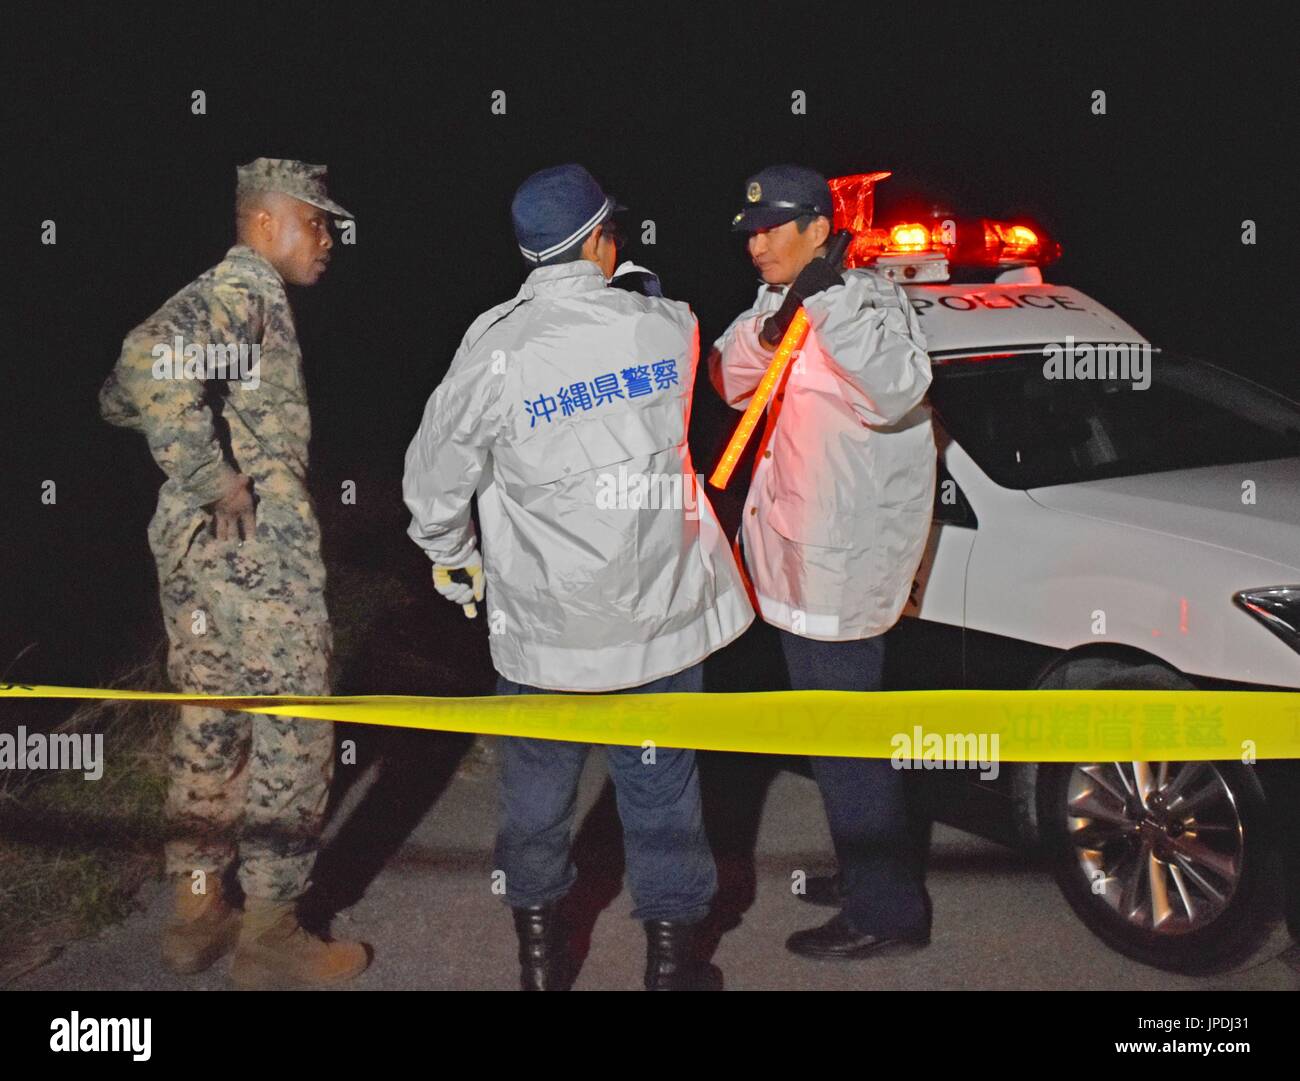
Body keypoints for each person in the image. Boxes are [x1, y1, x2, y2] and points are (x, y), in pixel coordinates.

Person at [403, 164, 753, 990]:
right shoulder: (667, 328)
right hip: (658, 625)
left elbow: (433, 481)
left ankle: (540, 959)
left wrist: (451, 551)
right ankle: (672, 967)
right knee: (664, 796)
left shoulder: (495, 350)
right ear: (600, 240)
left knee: (536, 800)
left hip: (545, 635)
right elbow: (665, 317)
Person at [99, 157, 370, 988]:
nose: (327, 240)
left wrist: (189, 461)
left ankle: (193, 914)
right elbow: (147, 362)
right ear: (264, 224)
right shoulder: (247, 289)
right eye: (314, 221)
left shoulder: (223, 295)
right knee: (291, 731)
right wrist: (213, 474)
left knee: (208, 726)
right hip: (256, 553)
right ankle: (270, 932)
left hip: (194, 559)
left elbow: (117, 395)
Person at [710, 164, 936, 959]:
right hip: (797, 563)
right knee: (834, 737)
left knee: (847, 747)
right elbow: (730, 382)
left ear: (816, 226)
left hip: (840, 571)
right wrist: (771, 327)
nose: (755, 242)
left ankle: (887, 913)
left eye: (772, 228)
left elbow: (899, 388)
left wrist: (829, 300)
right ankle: (870, 870)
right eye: (748, 231)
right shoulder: (781, 299)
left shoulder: (865, 298)